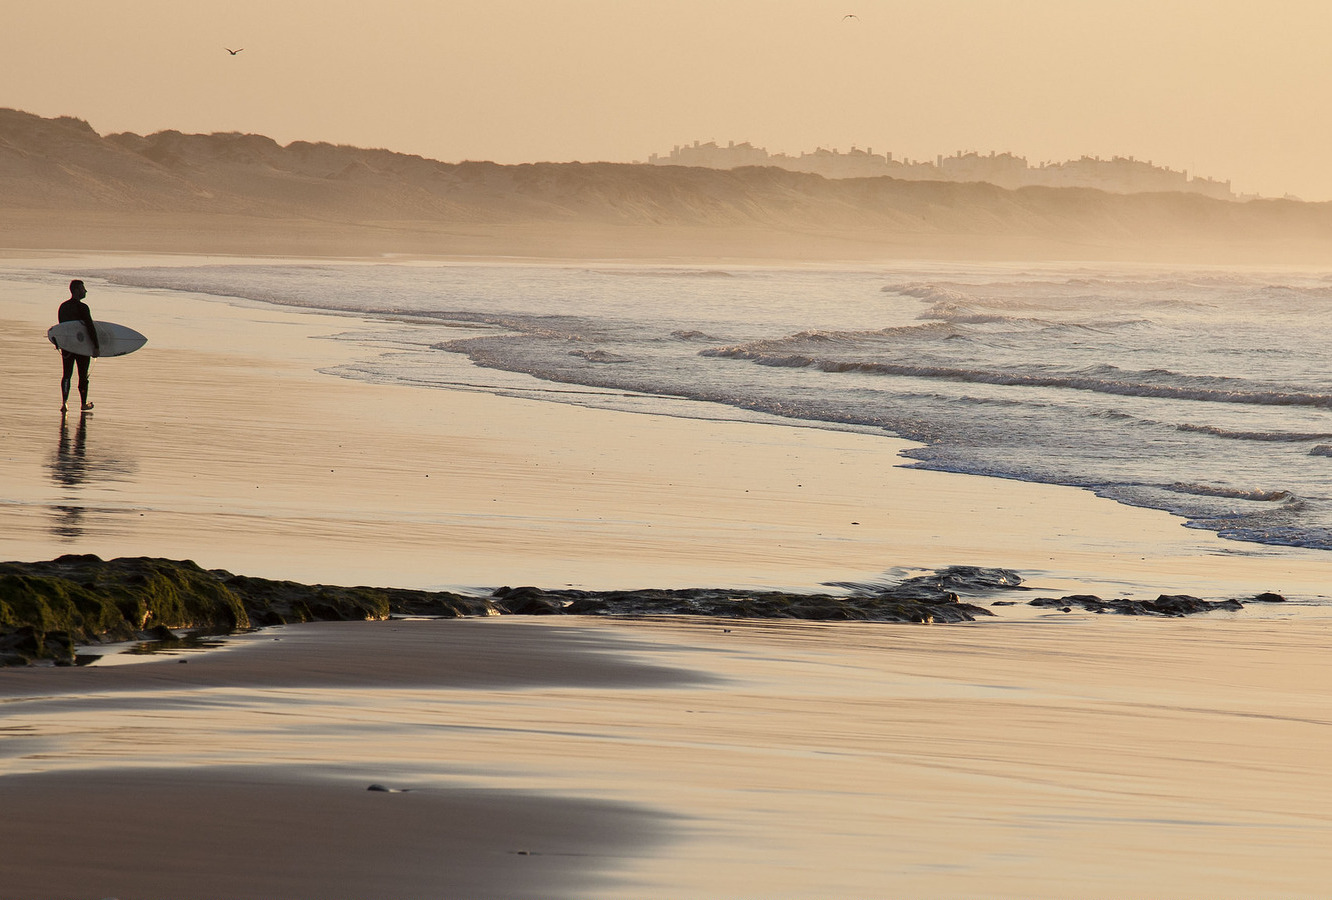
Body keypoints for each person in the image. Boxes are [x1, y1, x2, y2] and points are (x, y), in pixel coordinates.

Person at [57, 279, 100, 413]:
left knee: (67, 375)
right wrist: (96, 346)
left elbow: (62, 328)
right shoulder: (83, 307)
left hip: (68, 346)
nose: (85, 291)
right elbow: (90, 327)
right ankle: (83, 403)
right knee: (83, 376)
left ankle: (64, 403)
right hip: (81, 347)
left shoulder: (63, 307)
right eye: (83, 288)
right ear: (76, 290)